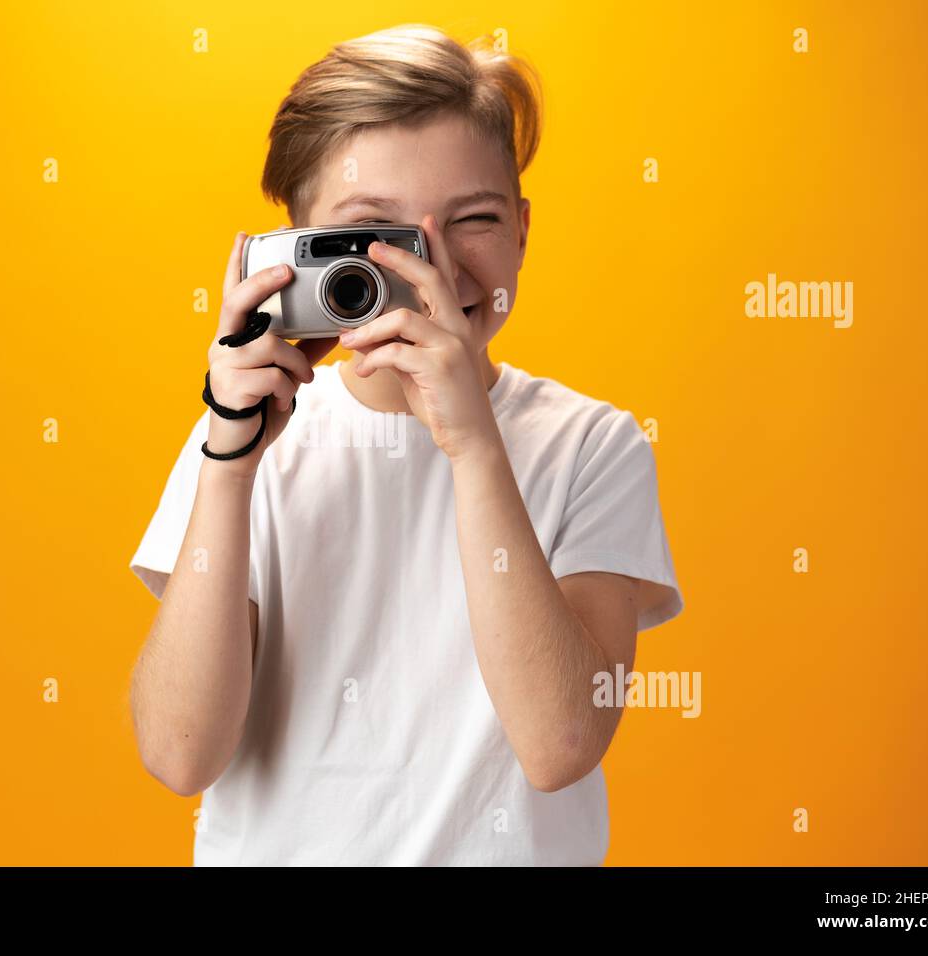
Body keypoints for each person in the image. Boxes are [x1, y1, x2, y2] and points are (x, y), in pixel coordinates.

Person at [128, 23, 683, 866]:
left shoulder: (590, 447)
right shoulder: (241, 443)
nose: (431, 268)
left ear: (524, 232)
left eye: (476, 219)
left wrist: (473, 446)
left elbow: (559, 743)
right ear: (296, 253)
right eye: (374, 231)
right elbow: (179, 752)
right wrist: (229, 469)